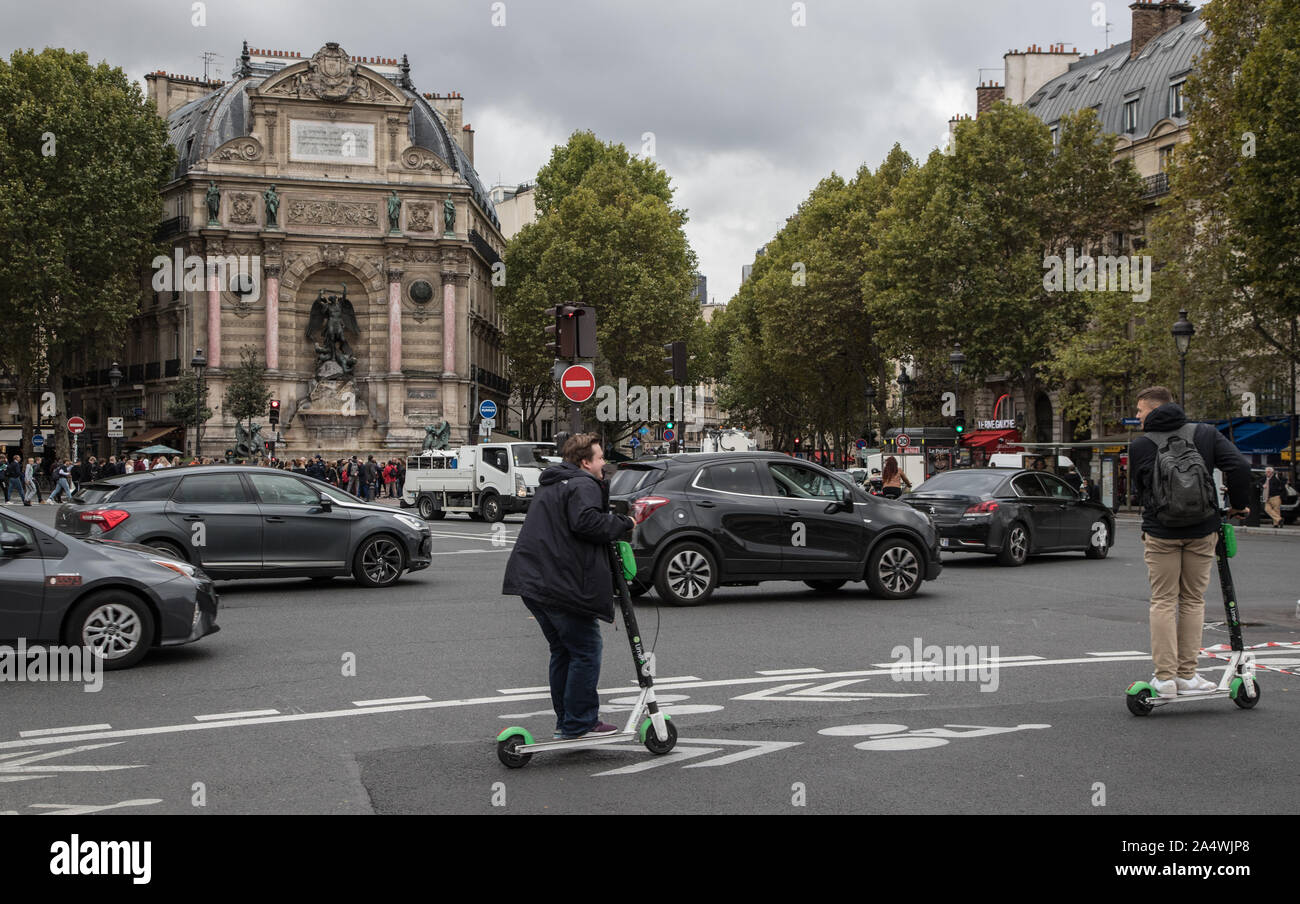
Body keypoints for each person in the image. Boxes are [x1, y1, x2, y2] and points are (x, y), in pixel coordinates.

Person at [501, 433, 635, 740]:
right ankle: (580, 722)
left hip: (533, 580)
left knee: (563, 651)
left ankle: (569, 720)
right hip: (558, 583)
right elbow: (587, 522)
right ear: (586, 461)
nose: (604, 464)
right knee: (587, 650)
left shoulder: (554, 483)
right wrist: (624, 524)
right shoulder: (583, 484)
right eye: (601, 458)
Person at [1131, 386, 1251, 698]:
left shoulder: (1141, 444)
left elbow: (1140, 491)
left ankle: (1166, 678)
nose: (1137, 416)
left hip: (1160, 532)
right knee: (1193, 600)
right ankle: (1188, 674)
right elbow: (1239, 466)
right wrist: (1238, 504)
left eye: (1140, 410)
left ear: (1154, 409)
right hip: (1202, 530)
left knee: (1163, 601)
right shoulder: (1206, 434)